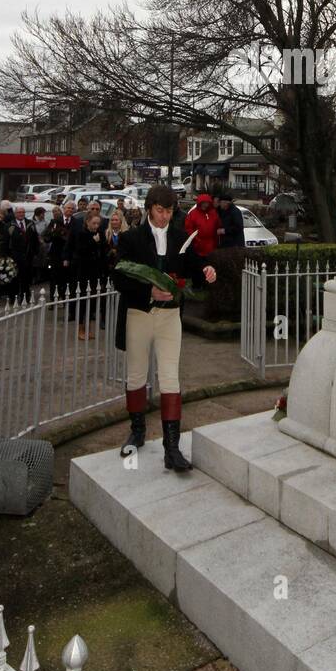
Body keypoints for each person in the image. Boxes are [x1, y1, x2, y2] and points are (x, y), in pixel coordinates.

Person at [112, 184, 217, 470]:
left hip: (170, 316)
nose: (164, 217)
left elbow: (195, 266)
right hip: (139, 313)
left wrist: (207, 270)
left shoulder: (181, 237)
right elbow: (119, 278)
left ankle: (172, 449)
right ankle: (137, 431)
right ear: (149, 209)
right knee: (136, 375)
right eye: (160, 211)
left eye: (169, 211)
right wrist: (149, 292)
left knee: (170, 377)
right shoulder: (131, 238)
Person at [74, 212, 108, 340]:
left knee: (93, 302)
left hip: (96, 272)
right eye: (93, 223)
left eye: (98, 223)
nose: (96, 226)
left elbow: (103, 250)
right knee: (83, 301)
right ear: (87, 222)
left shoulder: (100, 234)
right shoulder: (82, 234)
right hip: (84, 272)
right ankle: (81, 328)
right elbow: (80, 251)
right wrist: (93, 243)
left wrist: (99, 243)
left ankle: (89, 328)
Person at [3, 206, 39, 303]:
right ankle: (13, 298)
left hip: (27, 256)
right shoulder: (10, 226)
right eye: (19, 212)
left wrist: (35, 253)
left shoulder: (30, 224)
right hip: (14, 256)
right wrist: (5, 256)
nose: (21, 214)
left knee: (26, 279)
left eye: (23, 212)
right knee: (14, 279)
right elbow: (5, 242)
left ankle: (25, 297)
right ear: (15, 214)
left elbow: (35, 240)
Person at [184, 193, 223, 258]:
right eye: (203, 203)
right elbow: (188, 228)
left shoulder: (213, 213)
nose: (205, 205)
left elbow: (218, 226)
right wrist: (196, 240)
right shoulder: (193, 214)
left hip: (212, 246)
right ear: (200, 203)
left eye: (207, 203)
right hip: (197, 246)